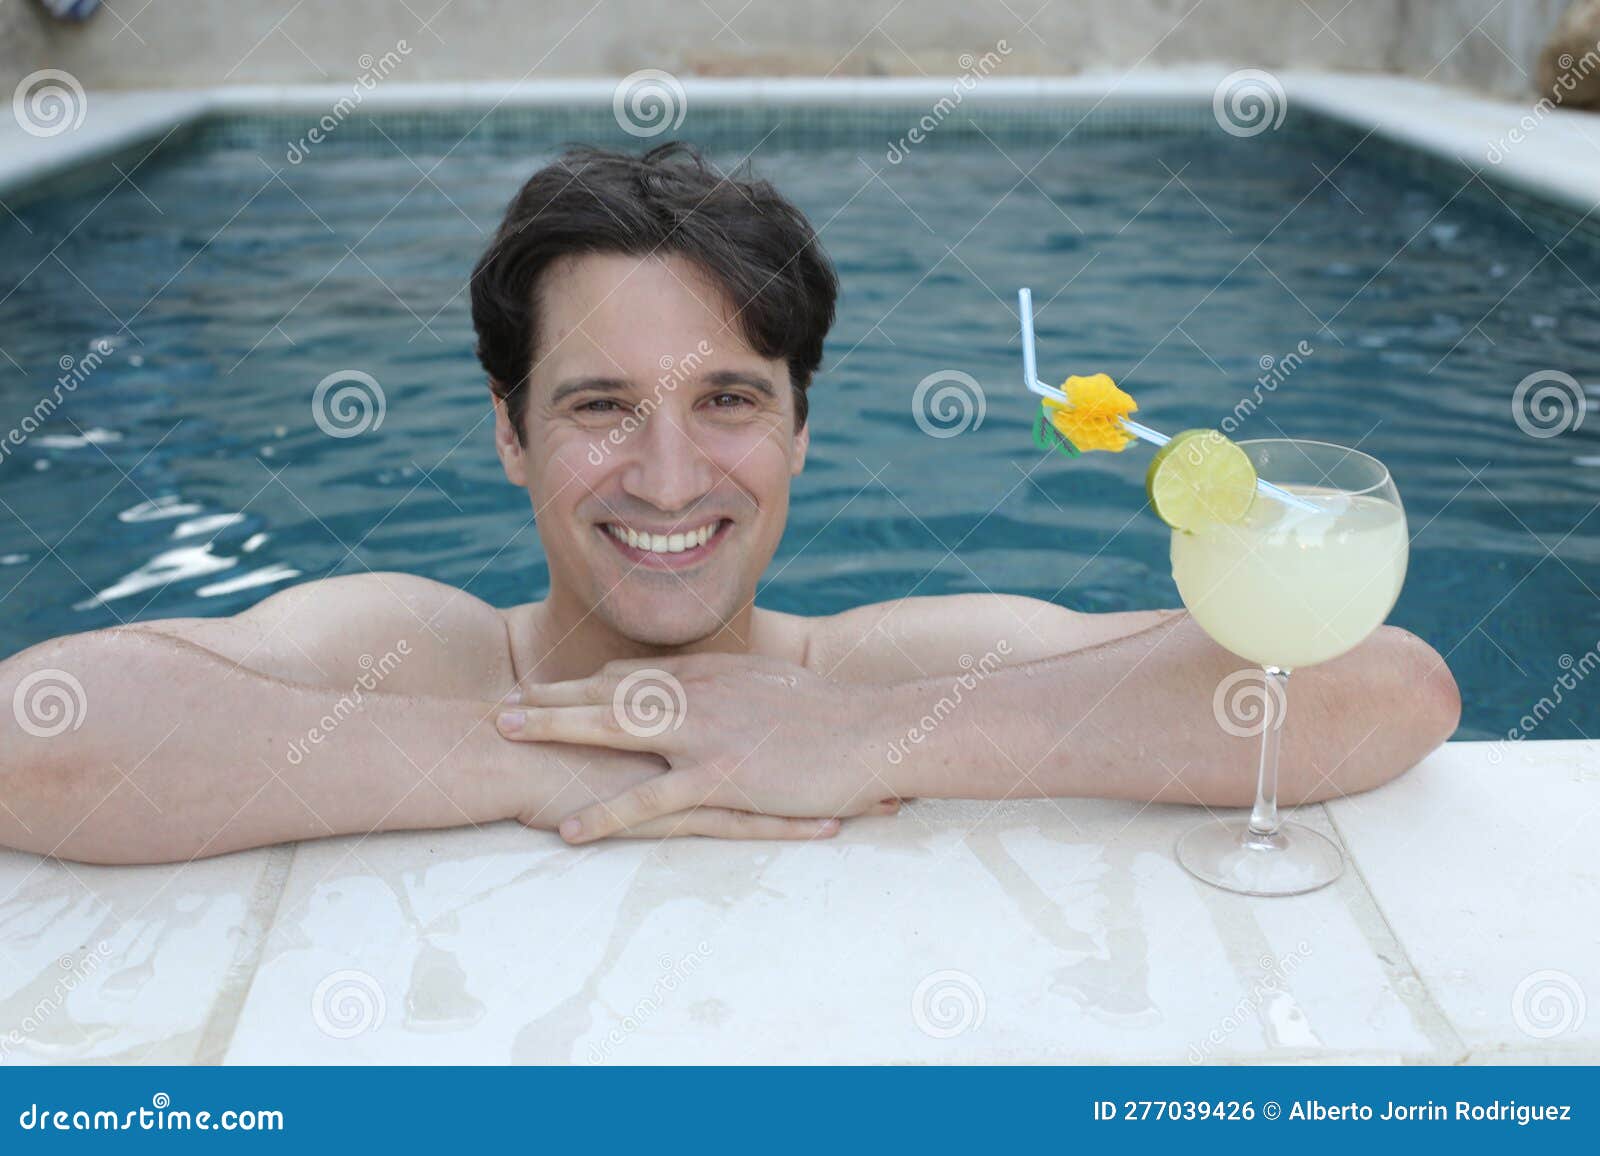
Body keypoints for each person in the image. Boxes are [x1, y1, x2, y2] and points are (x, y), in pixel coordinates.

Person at [0, 144, 1460, 864]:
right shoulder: (429, 654)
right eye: (598, 406)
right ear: (506, 434)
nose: (670, 477)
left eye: (729, 400)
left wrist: (868, 736)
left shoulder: (880, 671)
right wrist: (547, 766)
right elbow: (37, 741)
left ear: (805, 431)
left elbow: (1388, 687)